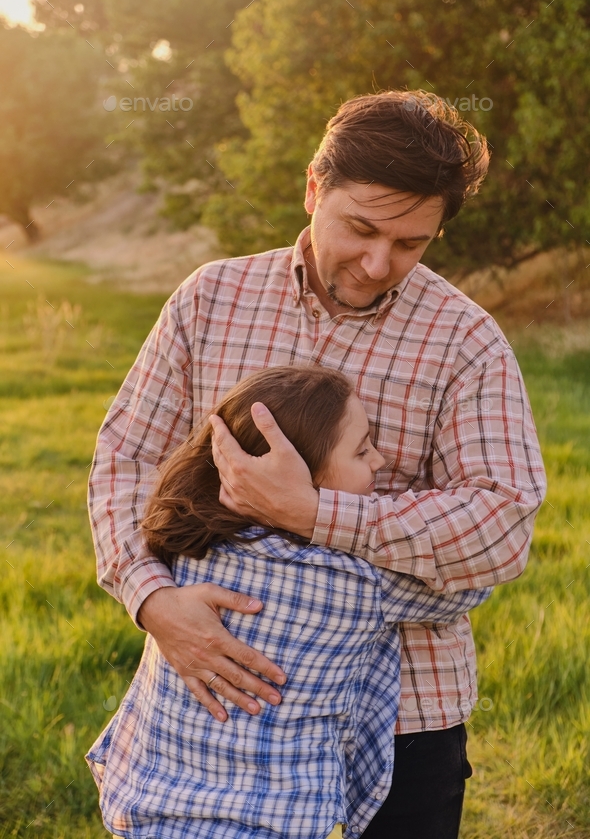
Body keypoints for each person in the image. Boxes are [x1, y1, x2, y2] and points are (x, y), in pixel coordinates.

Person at [88, 89, 547, 838]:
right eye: (361, 228)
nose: (377, 262)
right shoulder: (211, 298)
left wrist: (313, 514)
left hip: (405, 715)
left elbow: (502, 523)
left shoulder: (467, 340)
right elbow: (126, 459)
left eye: (411, 243)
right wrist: (153, 601)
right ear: (313, 187)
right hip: (214, 701)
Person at [86, 365, 492, 839]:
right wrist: (348, 523)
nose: (379, 462)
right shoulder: (359, 579)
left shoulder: (188, 544)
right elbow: (467, 583)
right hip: (273, 822)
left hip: (151, 806)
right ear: (303, 479)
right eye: (361, 450)